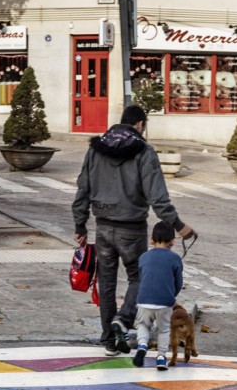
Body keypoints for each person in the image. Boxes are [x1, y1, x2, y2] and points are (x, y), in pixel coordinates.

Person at [72, 104, 195, 356]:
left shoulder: (96, 151)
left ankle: (109, 340)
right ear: (140, 125)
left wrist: (80, 224)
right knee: (138, 277)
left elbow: (82, 189)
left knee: (105, 281)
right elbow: (157, 196)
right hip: (132, 228)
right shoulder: (144, 152)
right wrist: (178, 226)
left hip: (103, 226)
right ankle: (123, 319)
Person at [132, 221, 183, 371]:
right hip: (164, 301)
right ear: (173, 241)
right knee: (164, 329)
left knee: (143, 324)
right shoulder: (175, 259)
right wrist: (171, 296)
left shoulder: (144, 257)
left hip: (144, 299)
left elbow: (141, 278)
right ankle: (161, 357)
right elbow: (178, 283)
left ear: (151, 240)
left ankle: (142, 345)